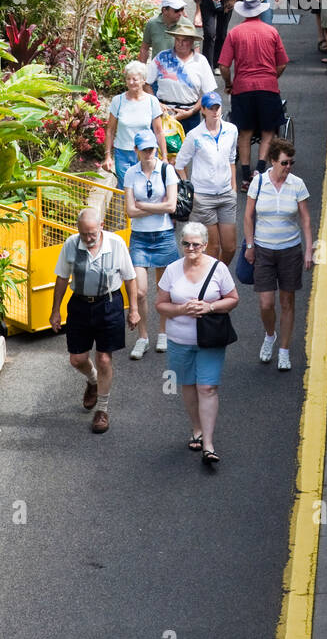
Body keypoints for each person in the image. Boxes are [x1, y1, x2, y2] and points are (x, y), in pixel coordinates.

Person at [156, 222, 239, 467]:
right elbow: (160, 305)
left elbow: (233, 299)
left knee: (207, 388)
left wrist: (209, 307)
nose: (190, 248)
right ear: (181, 244)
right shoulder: (172, 270)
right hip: (179, 340)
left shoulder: (218, 269)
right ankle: (196, 429)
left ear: (204, 245)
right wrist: (182, 309)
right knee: (188, 385)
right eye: (186, 244)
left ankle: (209, 443)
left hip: (210, 340)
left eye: (196, 244)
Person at [50, 208, 138, 434]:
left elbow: (130, 278)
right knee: (77, 359)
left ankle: (102, 409)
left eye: (92, 233)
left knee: (104, 359)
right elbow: (61, 277)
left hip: (109, 304)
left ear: (101, 226)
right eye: (83, 234)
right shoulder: (71, 244)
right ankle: (93, 380)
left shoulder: (116, 243)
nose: (88, 239)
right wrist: (55, 311)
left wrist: (134, 309)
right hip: (79, 304)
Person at [243, 138, 312, 372]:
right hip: (263, 250)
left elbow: (305, 218)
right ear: (272, 161)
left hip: (290, 250)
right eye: (284, 162)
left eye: (291, 162)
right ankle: (270, 335)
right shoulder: (259, 182)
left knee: (287, 301)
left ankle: (284, 350)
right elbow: (248, 216)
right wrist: (250, 246)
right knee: (266, 303)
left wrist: (309, 249)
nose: (288, 167)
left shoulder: (297, 184)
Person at [218, 0, 289, 192]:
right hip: (268, 87)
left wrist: (229, 83)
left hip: (243, 89)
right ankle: (259, 170)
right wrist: (271, 77)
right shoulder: (271, 32)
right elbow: (282, 63)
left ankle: (246, 176)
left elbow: (223, 66)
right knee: (268, 131)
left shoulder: (235, 33)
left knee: (245, 133)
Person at [123, 129, 179, 358]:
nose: (148, 153)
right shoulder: (130, 173)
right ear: (136, 150)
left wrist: (143, 206)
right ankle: (143, 337)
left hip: (164, 235)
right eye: (144, 149)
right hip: (140, 239)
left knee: (165, 290)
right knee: (141, 291)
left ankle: (163, 333)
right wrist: (157, 206)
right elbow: (129, 211)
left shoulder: (167, 170)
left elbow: (172, 206)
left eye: (151, 149)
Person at [175, 93, 238, 266]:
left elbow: (232, 159)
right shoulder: (194, 135)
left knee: (230, 247)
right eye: (210, 107)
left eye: (217, 107)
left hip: (226, 195)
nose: (215, 111)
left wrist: (233, 187)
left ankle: (217, 275)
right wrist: (190, 191)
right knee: (213, 248)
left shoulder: (231, 130)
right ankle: (211, 284)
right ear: (202, 110)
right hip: (203, 198)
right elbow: (180, 164)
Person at [147, 18, 216, 137]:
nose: (180, 43)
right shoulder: (162, 57)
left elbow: (208, 92)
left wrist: (192, 111)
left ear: (192, 42)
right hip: (164, 113)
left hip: (190, 116)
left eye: (185, 40)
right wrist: (157, 103)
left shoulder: (200, 61)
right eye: (177, 40)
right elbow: (146, 83)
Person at [104, 62, 166, 188]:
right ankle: (126, 208)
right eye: (128, 79)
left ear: (143, 80)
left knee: (145, 187)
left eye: (135, 79)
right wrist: (108, 156)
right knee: (126, 188)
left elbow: (159, 131)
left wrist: (164, 156)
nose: (131, 82)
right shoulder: (118, 101)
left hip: (146, 152)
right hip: (123, 152)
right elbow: (110, 130)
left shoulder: (152, 101)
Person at [139, 0, 185, 67]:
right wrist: (141, 72)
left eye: (182, 9)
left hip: (180, 73)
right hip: (158, 72)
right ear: (164, 10)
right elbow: (144, 49)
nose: (180, 13)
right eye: (176, 10)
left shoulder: (187, 24)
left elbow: (196, 51)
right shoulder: (152, 24)